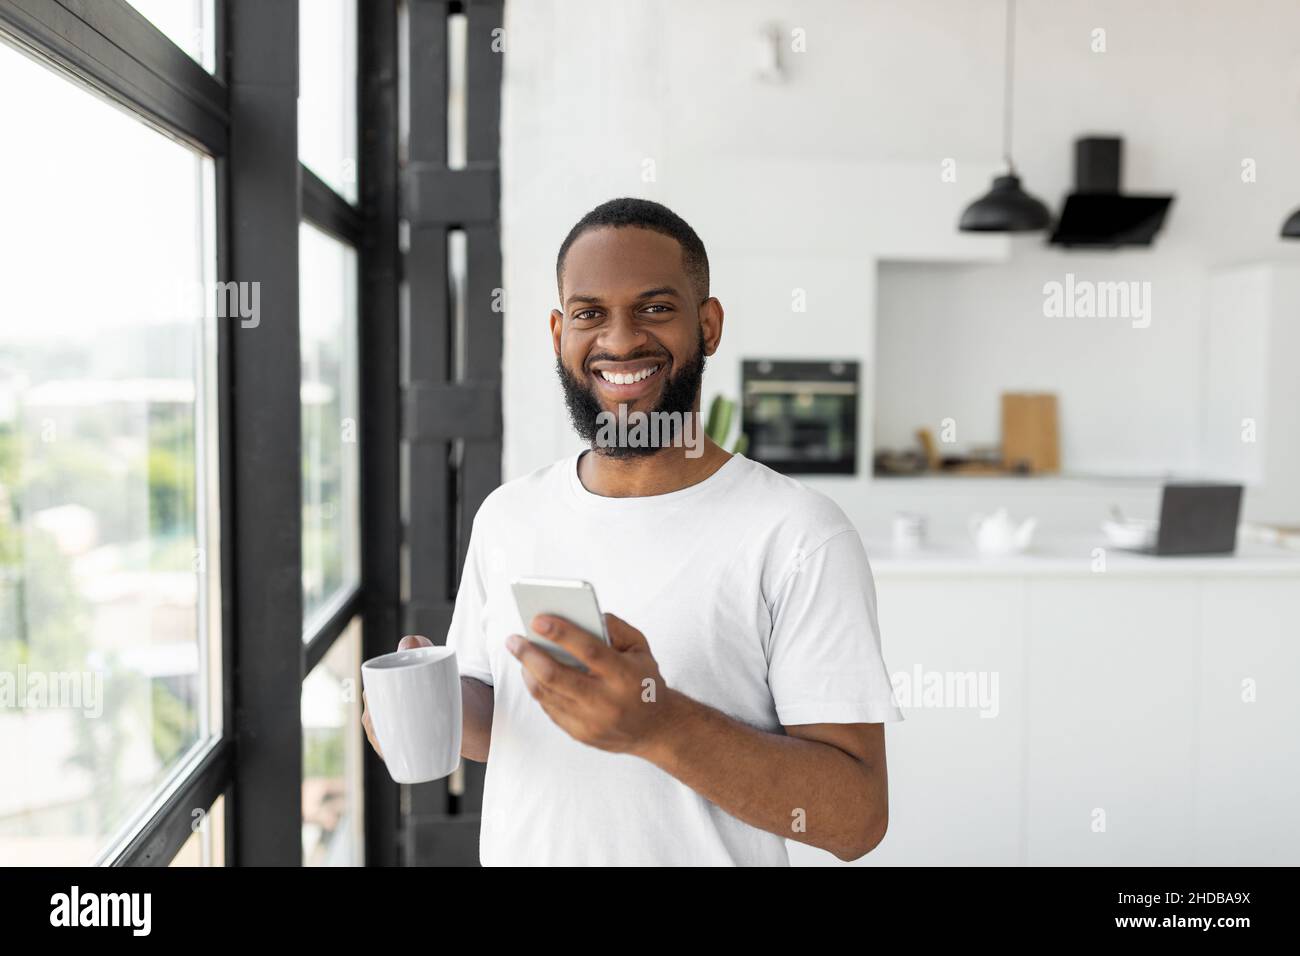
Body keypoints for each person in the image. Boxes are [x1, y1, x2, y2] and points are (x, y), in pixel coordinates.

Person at [364, 197, 903, 865]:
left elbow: (855, 819)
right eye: (590, 314)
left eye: (654, 308)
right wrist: (426, 711)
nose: (619, 341)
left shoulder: (797, 534)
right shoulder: (508, 514)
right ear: (559, 330)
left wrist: (658, 723)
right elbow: (505, 720)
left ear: (708, 324)